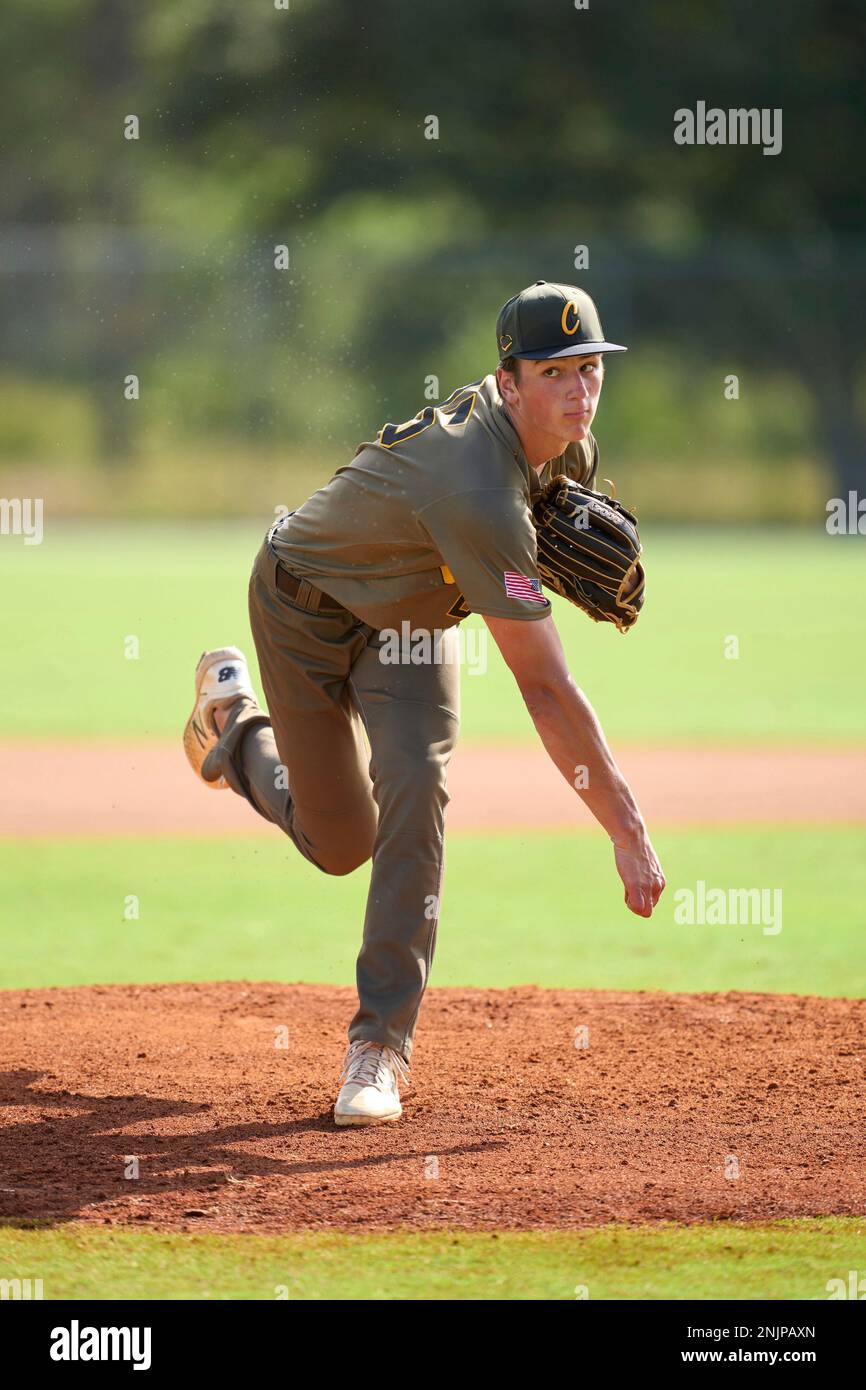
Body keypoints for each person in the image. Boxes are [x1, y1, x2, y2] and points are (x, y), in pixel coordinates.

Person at [183, 280, 665, 1127]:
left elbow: (532, 531)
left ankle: (378, 1047)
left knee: (416, 781)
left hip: (408, 626)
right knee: (341, 845)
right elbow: (545, 688)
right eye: (554, 372)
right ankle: (233, 726)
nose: (579, 390)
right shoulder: (474, 491)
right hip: (304, 602)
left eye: (590, 368)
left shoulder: (564, 446)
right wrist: (627, 830)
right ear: (507, 381)